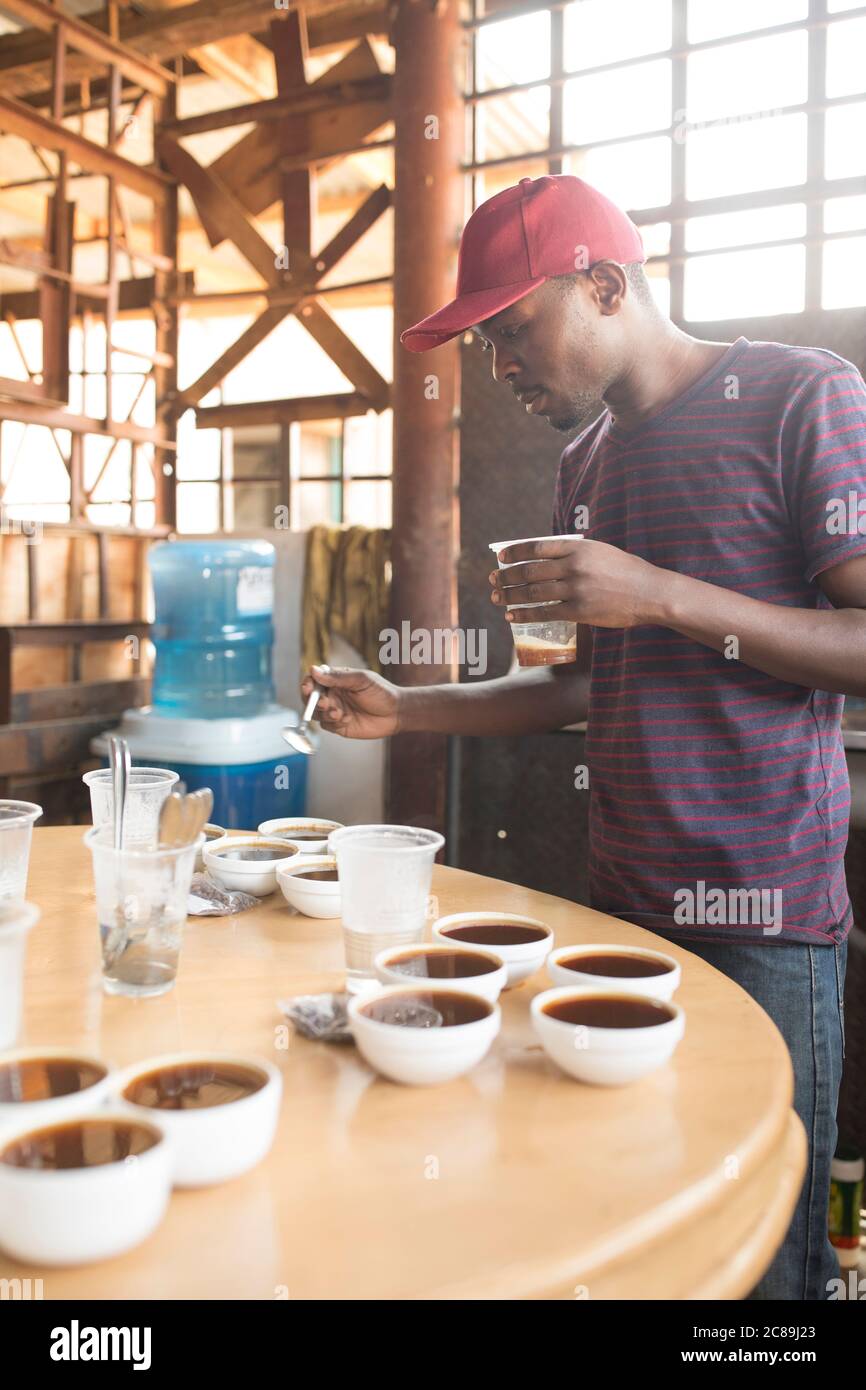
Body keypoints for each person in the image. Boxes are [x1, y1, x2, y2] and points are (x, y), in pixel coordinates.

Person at [301, 174, 866, 1300]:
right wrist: (406, 709)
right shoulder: (582, 465)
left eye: (511, 331)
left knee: (764, 1265)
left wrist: (657, 593)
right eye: (484, 346)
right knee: (641, 1232)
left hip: (765, 919)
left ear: (602, 285)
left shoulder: (803, 397)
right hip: (613, 910)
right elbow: (568, 688)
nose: (500, 368)